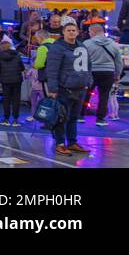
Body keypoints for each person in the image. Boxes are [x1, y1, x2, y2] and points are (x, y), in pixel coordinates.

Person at [44, 17, 92, 155]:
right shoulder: (57, 48)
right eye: (69, 30)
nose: (71, 33)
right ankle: (60, 143)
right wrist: (53, 89)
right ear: (63, 32)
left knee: (73, 117)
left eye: (74, 30)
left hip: (80, 88)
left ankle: (72, 142)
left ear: (78, 32)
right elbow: (52, 70)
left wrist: (88, 81)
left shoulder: (82, 46)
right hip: (63, 89)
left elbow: (89, 65)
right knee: (61, 118)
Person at [82, 20, 124, 127]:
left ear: (93, 32)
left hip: (91, 72)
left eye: (89, 32)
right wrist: (117, 75)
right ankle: (100, 119)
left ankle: (80, 115)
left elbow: (82, 60)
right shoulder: (113, 44)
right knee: (104, 96)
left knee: (86, 94)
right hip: (108, 72)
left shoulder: (86, 44)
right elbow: (119, 62)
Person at [0, 37, 24, 126]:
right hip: (17, 80)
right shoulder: (17, 55)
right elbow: (22, 67)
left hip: (5, 80)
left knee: (6, 99)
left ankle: (6, 119)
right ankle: (16, 119)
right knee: (16, 99)